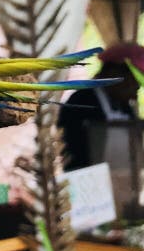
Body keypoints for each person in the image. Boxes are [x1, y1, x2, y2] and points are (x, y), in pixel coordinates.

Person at [58, 43, 142, 172]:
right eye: (133, 80)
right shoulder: (80, 102)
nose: (137, 87)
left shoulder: (125, 107)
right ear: (113, 74)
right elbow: (73, 151)